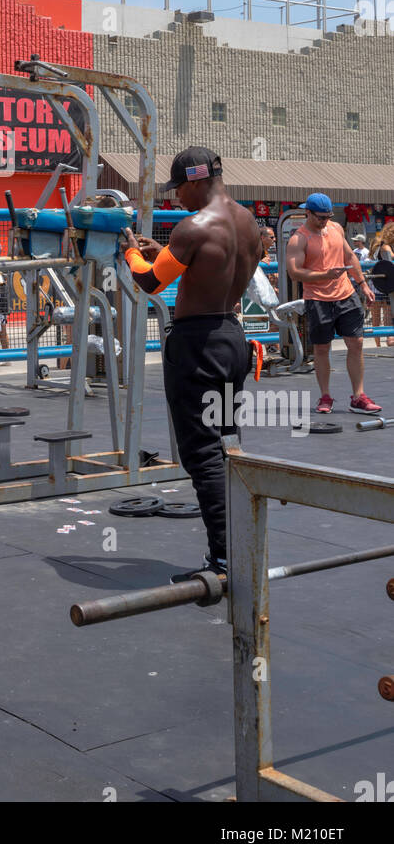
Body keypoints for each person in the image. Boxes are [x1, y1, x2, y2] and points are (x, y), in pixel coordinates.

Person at [123, 148, 262, 579]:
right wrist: (162, 250)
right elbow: (209, 267)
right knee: (226, 443)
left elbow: (149, 280)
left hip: (198, 345)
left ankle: (224, 560)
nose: (176, 197)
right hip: (231, 337)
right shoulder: (248, 223)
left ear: (197, 180)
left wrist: (130, 251)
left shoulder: (192, 226)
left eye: (179, 187)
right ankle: (241, 547)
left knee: (202, 454)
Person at [285, 193, 380, 414]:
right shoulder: (299, 239)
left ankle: (358, 396)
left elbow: (350, 257)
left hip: (346, 295)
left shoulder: (336, 228)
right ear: (307, 213)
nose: (324, 221)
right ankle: (325, 396)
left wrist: (363, 284)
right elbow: (294, 272)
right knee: (321, 348)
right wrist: (325, 274)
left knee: (356, 343)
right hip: (318, 299)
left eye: (328, 216)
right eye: (320, 217)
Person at [368, 221, 394, 349]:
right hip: (380, 287)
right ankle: (381, 344)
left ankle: (382, 343)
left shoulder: (379, 246)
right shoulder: (385, 247)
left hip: (383, 286)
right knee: (380, 317)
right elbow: (391, 258)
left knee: (382, 317)